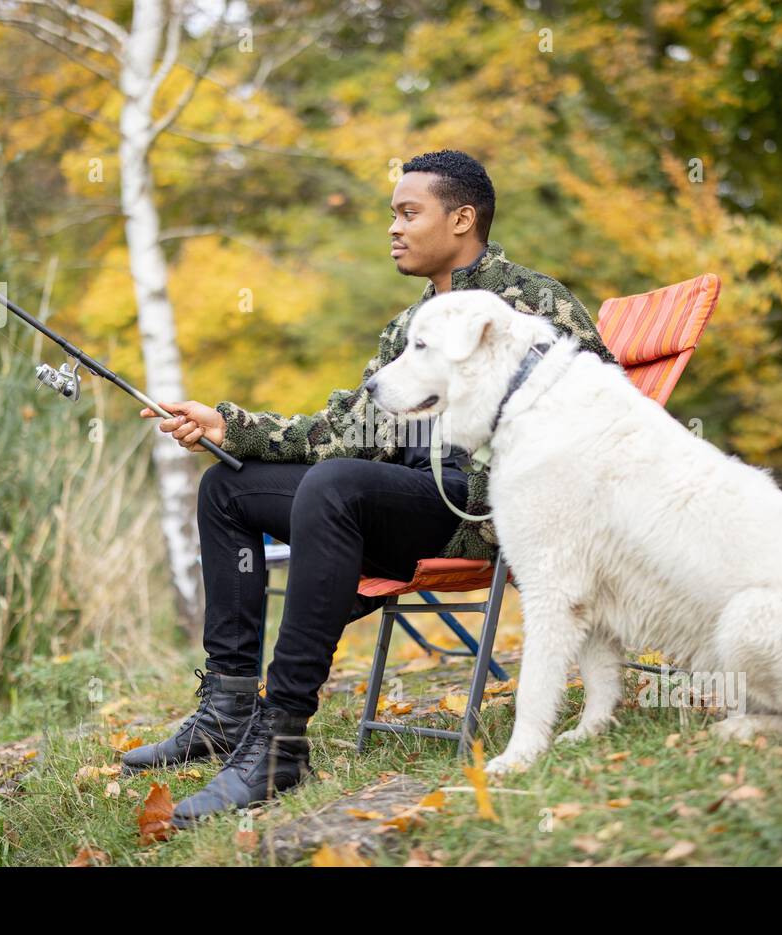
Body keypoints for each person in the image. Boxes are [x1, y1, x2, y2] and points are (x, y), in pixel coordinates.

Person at [122, 149, 619, 828]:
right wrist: (227, 425)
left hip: (475, 514)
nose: (394, 227)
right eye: (393, 213)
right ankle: (227, 707)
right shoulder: (406, 331)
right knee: (227, 488)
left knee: (335, 485)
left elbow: (601, 405)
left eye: (409, 212)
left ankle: (281, 740)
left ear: (462, 218)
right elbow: (341, 430)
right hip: (399, 501)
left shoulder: (533, 301)